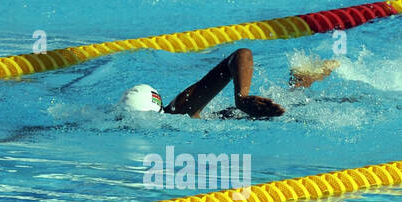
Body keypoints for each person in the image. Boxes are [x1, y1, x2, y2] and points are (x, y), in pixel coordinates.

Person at [119, 48, 339, 119]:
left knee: (297, 104)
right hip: (235, 119)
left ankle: (309, 77)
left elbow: (241, 54)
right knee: (291, 98)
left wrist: (241, 98)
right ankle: (303, 78)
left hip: (243, 115)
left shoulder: (182, 108)